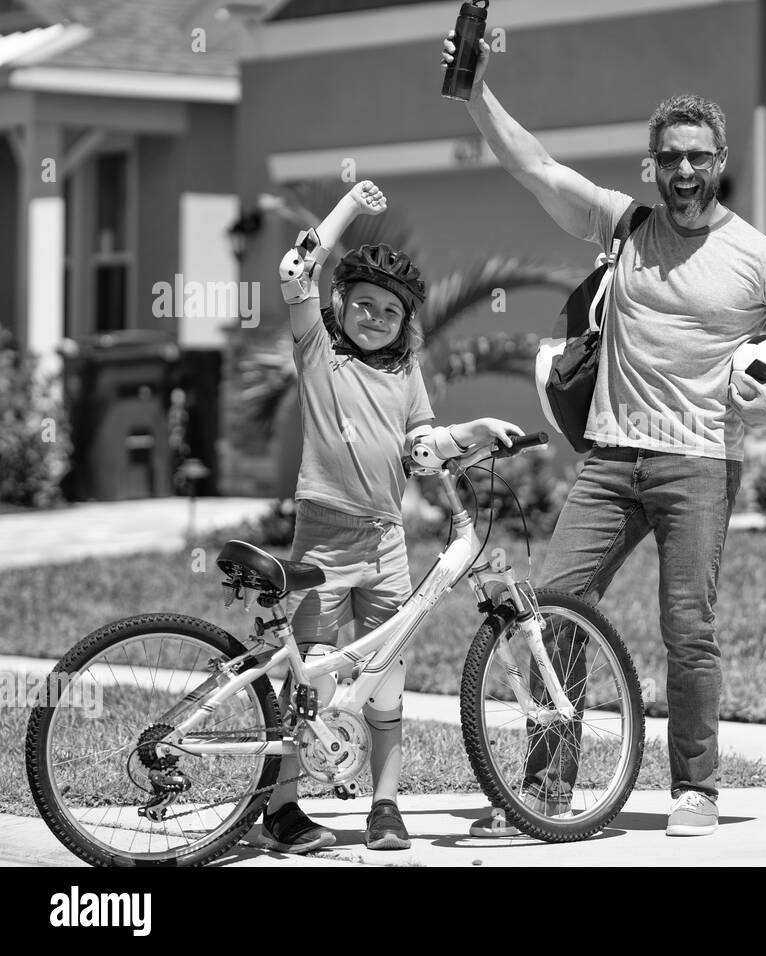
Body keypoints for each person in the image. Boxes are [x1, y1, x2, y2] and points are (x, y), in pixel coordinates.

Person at [441, 38, 766, 837]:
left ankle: (696, 787)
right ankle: (549, 787)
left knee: (687, 629)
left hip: (699, 463)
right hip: (609, 458)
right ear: (652, 166)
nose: (685, 172)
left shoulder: (758, 259)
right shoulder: (623, 226)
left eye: (698, 157)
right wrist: (476, 94)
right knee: (553, 610)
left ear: (720, 160)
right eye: (670, 158)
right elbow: (537, 169)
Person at [262, 180, 522, 852]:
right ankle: (283, 810)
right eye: (365, 304)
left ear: (406, 322)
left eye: (390, 311)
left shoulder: (405, 375)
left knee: (385, 682)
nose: (376, 317)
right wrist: (349, 205)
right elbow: (298, 268)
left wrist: (478, 430)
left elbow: (422, 446)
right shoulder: (317, 350)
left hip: (385, 543)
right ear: (340, 304)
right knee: (311, 679)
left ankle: (384, 805)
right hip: (322, 542)